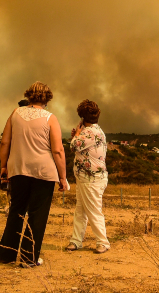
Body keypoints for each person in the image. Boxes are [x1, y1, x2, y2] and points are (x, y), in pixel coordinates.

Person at [0, 82, 69, 267]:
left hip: (18, 169)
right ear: (47, 99)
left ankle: (7, 254)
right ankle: (29, 258)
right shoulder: (50, 118)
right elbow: (58, 150)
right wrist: (62, 177)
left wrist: (3, 166)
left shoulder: (15, 114)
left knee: (16, 211)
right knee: (37, 215)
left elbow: (5, 143)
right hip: (43, 172)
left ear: (28, 96)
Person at [66, 99, 110, 254]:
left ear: (82, 117)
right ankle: (76, 240)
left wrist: (77, 135)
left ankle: (102, 242)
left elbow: (73, 146)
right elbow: (79, 145)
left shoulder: (89, 132)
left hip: (90, 179)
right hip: (88, 178)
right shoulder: (96, 130)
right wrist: (77, 135)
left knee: (92, 210)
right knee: (81, 210)